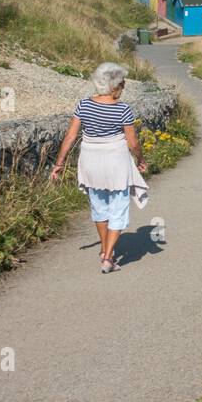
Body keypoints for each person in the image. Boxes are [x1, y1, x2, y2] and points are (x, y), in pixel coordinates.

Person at [49, 64, 148, 274]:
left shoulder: (84, 105)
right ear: (114, 85)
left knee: (99, 207)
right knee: (118, 208)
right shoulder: (122, 109)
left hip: (90, 161)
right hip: (116, 163)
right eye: (122, 83)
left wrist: (59, 163)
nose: (123, 87)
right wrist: (141, 159)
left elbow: (70, 137)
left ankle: (106, 251)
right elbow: (133, 142)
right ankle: (107, 259)